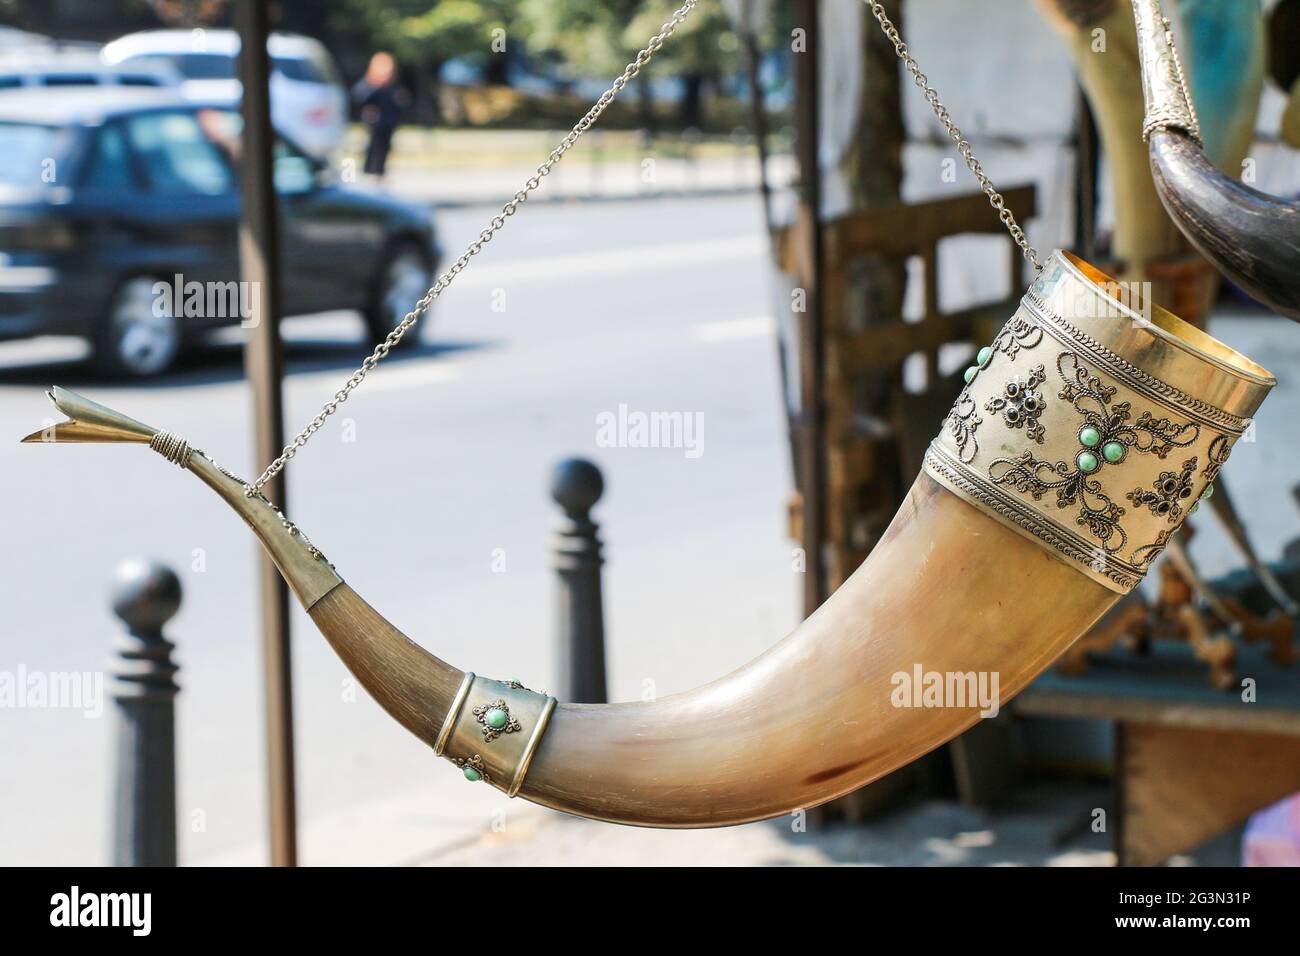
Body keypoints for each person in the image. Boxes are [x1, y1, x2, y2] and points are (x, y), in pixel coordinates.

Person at [352, 52, 408, 179]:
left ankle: (380, 170)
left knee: (385, 145)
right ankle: (369, 169)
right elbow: (359, 98)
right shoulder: (368, 85)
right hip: (375, 121)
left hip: (389, 120)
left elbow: (399, 103)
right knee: (373, 144)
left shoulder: (392, 87)